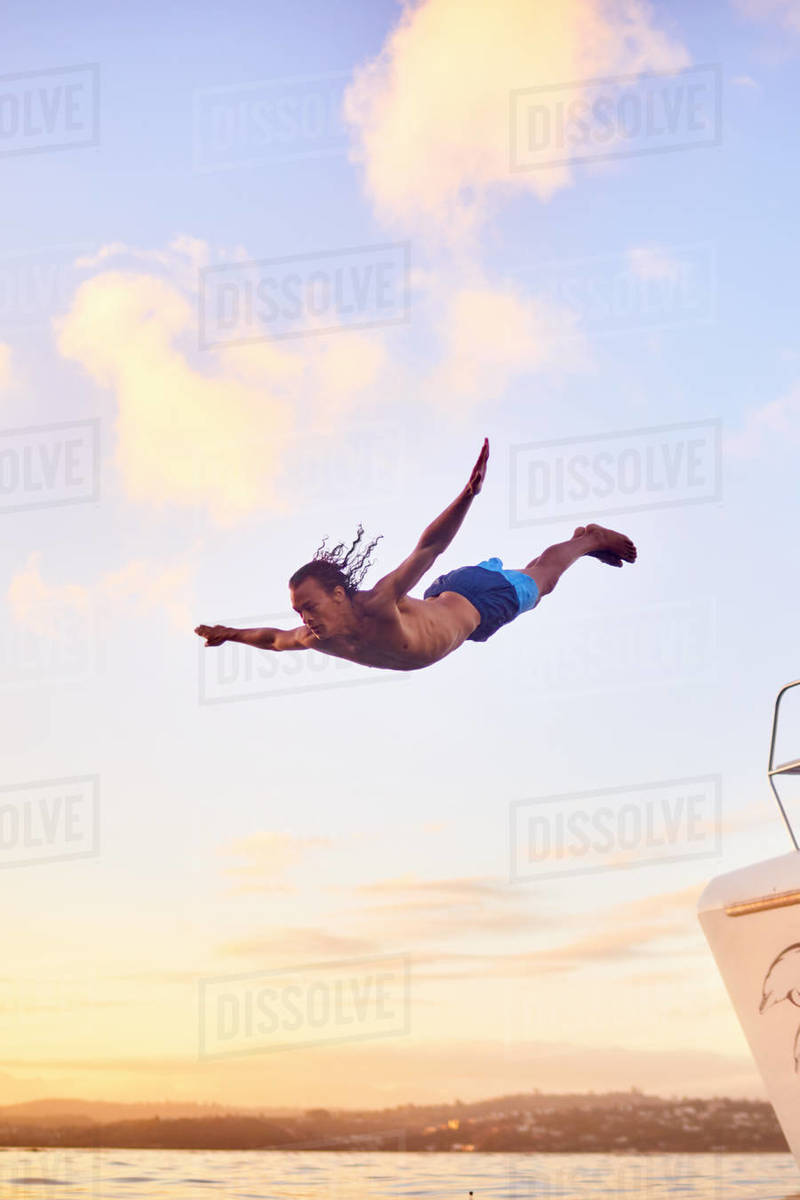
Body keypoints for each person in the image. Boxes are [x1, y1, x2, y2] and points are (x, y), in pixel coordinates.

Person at [195, 438, 637, 672]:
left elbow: (429, 547)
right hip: (444, 606)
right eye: (298, 610)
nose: (305, 618)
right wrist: (229, 633)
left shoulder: (378, 600)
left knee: (544, 579)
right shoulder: (318, 638)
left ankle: (588, 539)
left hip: (477, 601)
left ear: (337, 594)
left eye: (309, 605)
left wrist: (468, 494)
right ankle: (581, 541)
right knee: (510, 600)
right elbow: (274, 638)